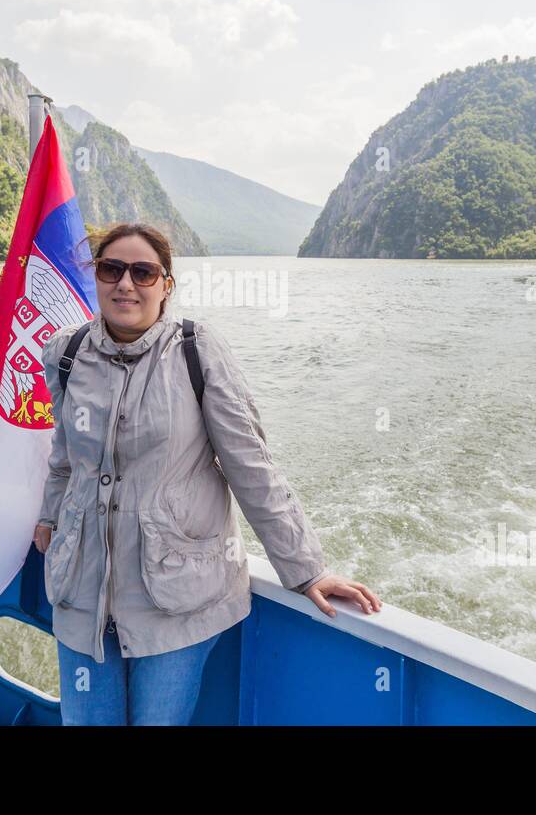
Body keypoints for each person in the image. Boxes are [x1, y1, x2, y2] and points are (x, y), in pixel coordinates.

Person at [33, 222, 380, 725]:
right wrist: (49, 518)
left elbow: (250, 464)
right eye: (112, 269)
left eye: (142, 272)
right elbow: (65, 456)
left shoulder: (195, 351)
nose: (125, 284)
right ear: (97, 279)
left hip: (175, 596)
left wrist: (307, 570)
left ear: (165, 286)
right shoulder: (66, 355)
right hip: (82, 589)